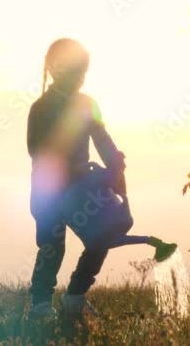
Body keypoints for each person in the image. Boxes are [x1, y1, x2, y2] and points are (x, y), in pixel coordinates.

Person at [25, 39, 127, 319]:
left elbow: (102, 138)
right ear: (55, 69)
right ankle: (40, 304)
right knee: (51, 247)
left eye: (83, 71)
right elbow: (36, 150)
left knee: (101, 236)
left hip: (82, 190)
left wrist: (115, 164)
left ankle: (75, 296)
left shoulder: (87, 103)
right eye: (75, 70)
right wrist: (75, 168)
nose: (81, 77)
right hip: (49, 193)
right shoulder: (41, 108)